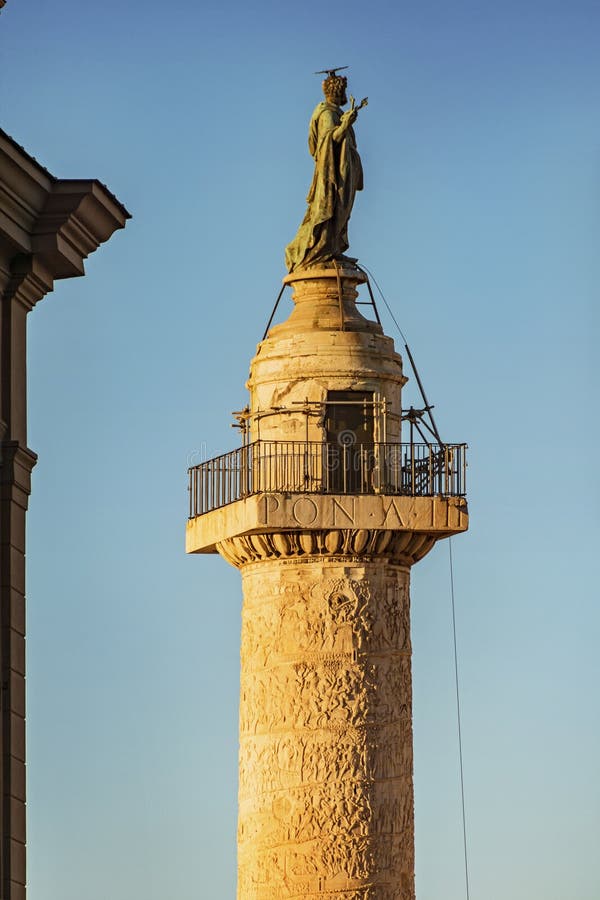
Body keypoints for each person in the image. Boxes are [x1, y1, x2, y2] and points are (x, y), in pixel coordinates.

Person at [285, 74, 365, 272]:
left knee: (341, 210)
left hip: (343, 170)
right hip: (332, 173)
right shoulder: (327, 113)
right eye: (342, 90)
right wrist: (346, 124)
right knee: (330, 208)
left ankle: (333, 248)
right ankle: (320, 251)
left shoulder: (336, 112)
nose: (345, 94)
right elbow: (329, 140)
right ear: (337, 91)